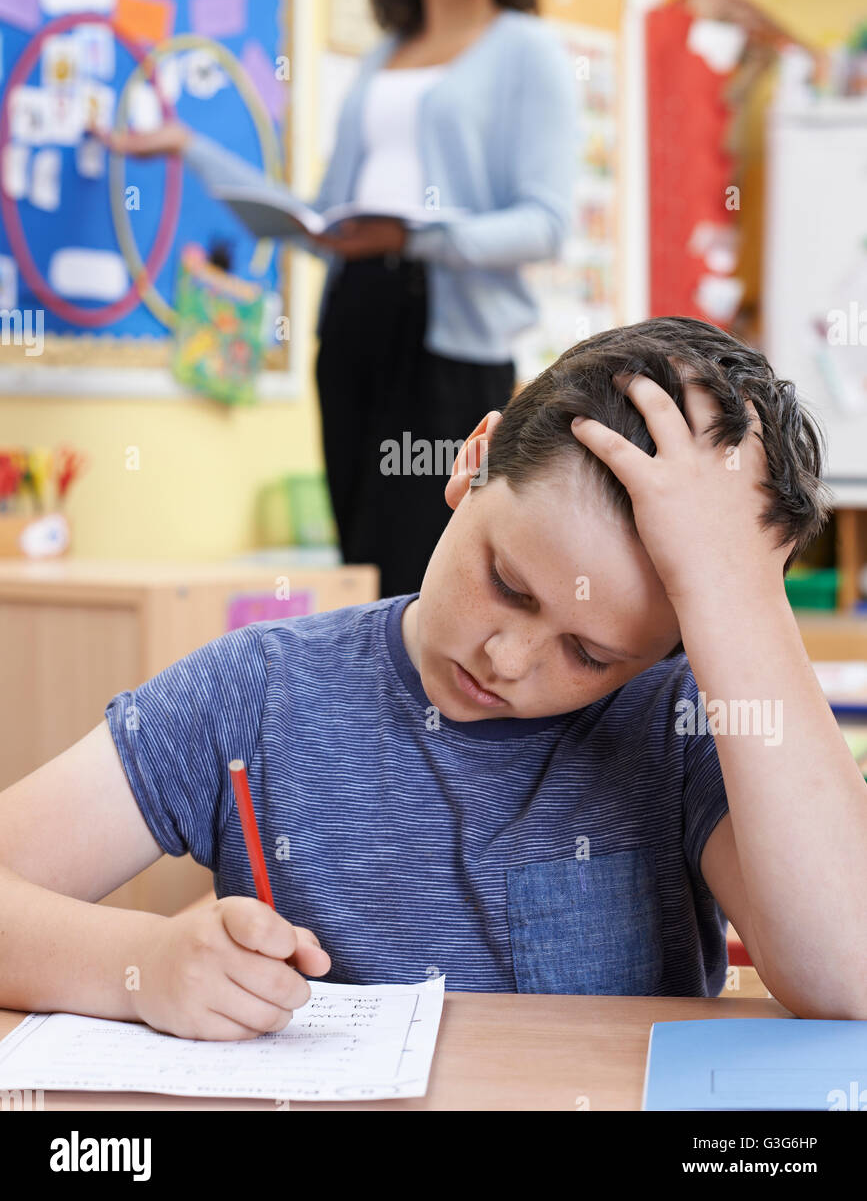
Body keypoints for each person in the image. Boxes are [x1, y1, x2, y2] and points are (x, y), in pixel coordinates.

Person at [4, 316, 867, 1039]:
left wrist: (736, 601)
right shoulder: (257, 694)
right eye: (507, 584)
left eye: (590, 655)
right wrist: (140, 965)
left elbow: (849, 974)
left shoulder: (681, 721)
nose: (507, 660)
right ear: (472, 460)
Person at [98, 0, 577, 597]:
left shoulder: (527, 53)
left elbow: (546, 223)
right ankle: (376, 720)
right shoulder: (383, 56)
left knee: (433, 564)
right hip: (356, 315)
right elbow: (320, 220)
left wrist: (416, 236)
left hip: (448, 337)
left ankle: (436, 720)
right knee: (364, 563)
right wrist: (191, 147)